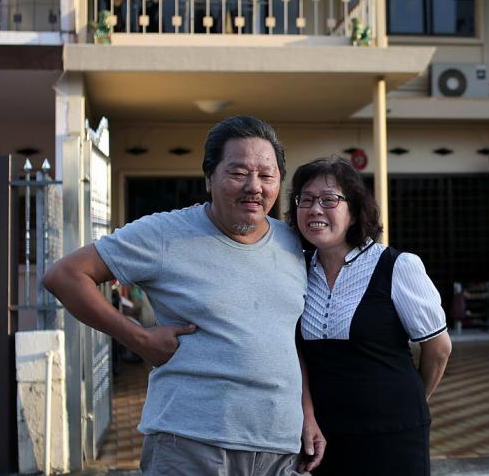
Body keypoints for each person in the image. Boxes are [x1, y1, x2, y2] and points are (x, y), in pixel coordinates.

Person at [44, 116, 325, 476]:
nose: (254, 186)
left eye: (266, 175)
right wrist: (138, 337)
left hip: (278, 446)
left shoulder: (291, 242)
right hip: (191, 442)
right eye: (238, 173)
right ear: (209, 177)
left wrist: (307, 414)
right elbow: (65, 275)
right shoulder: (165, 234)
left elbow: (287, 338)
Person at [288, 157, 452, 476]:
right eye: (305, 199)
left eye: (329, 199)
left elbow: (439, 349)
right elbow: (297, 354)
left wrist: (411, 402)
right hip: (324, 433)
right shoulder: (297, 270)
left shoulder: (397, 267)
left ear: (354, 210)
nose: (315, 209)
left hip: (392, 433)